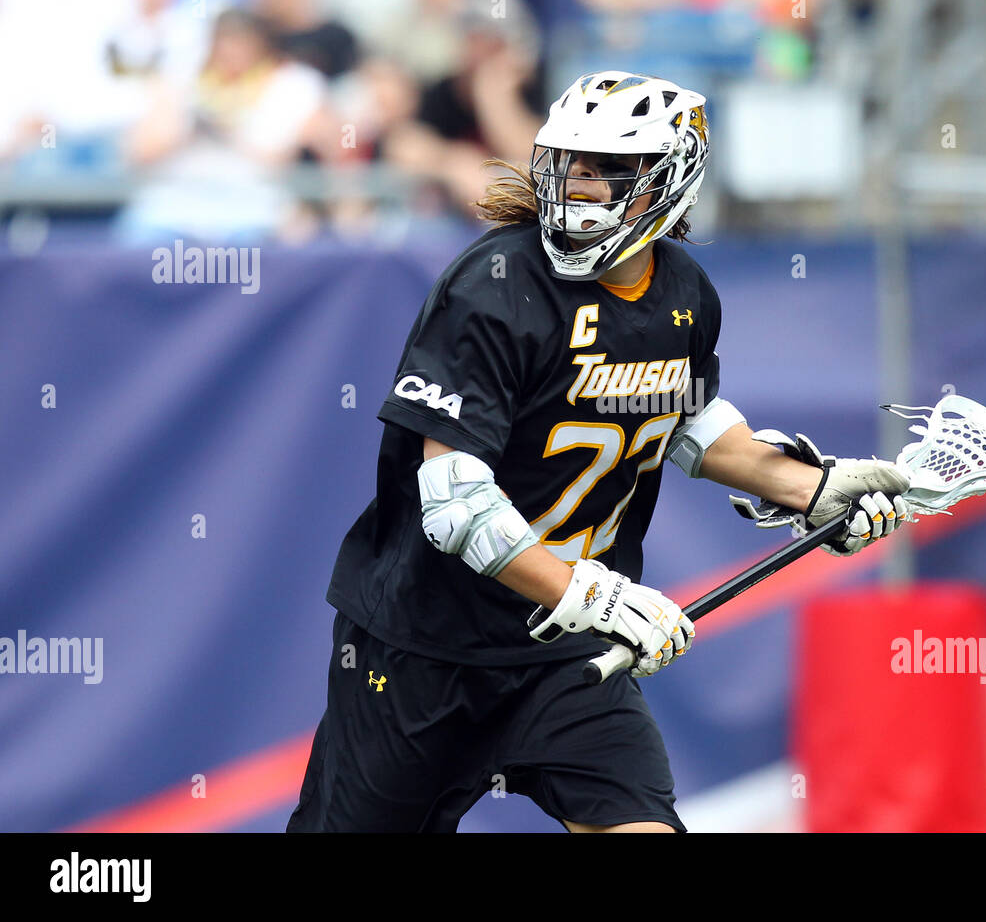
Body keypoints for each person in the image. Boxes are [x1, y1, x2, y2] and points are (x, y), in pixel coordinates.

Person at [286, 71, 912, 833]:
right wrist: (595, 595)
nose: (581, 186)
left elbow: (683, 421)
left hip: (564, 656)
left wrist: (811, 489)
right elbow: (453, 504)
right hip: (428, 647)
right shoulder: (496, 282)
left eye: (610, 169)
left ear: (669, 181)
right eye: (573, 164)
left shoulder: (682, 288)